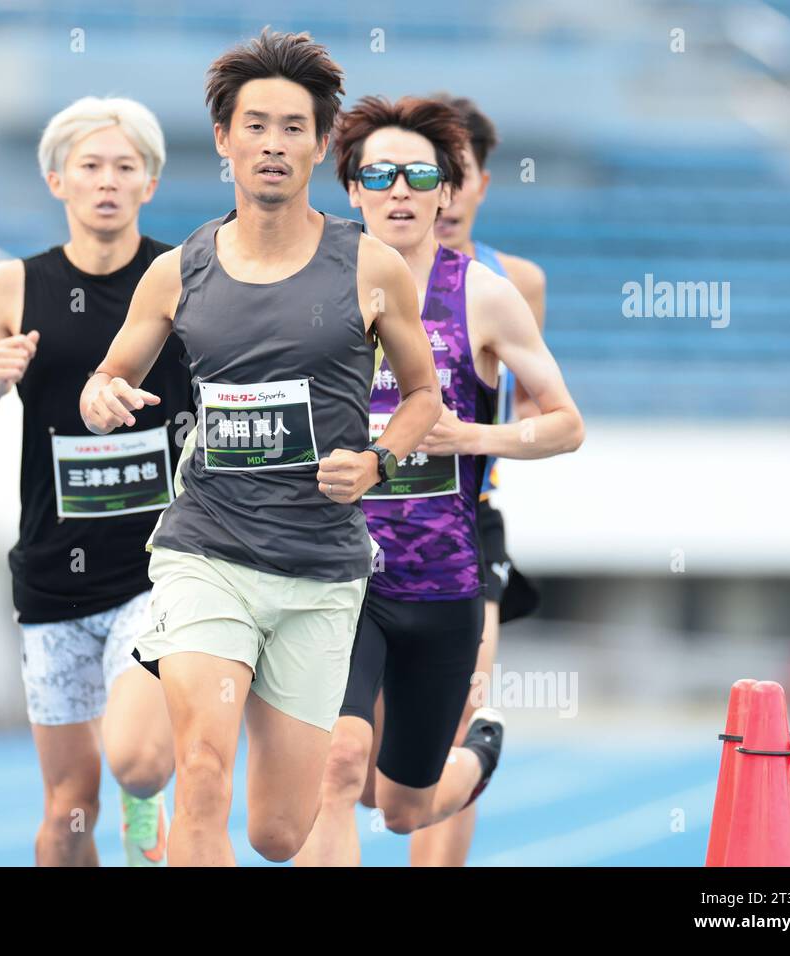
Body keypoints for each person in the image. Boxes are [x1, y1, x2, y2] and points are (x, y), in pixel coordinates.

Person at [79, 29, 441, 866]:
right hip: (207, 549)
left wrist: (378, 461)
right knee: (200, 770)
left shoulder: (373, 267)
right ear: (224, 140)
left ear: (320, 143)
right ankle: (180, 663)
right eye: (255, 126)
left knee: (279, 834)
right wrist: (104, 398)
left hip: (319, 569)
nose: (272, 144)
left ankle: (177, 670)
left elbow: (425, 396)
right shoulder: (178, 271)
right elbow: (110, 376)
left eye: (291, 128)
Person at [294, 95, 583, 865]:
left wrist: (471, 435)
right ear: (352, 186)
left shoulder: (485, 293)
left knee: (399, 809)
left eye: (418, 173)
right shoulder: (318, 287)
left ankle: (479, 752)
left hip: (444, 575)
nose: (399, 189)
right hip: (342, 575)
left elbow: (565, 423)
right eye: (378, 173)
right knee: (337, 765)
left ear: (446, 190)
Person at [0, 96, 191, 867]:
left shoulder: (181, 278)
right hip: (53, 577)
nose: (107, 182)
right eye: (91, 166)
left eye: (126, 167)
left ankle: (145, 803)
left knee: (140, 763)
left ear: (150, 183)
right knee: (67, 813)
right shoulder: (11, 287)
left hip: (158, 571)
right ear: (58, 180)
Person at [413, 92, 551, 866]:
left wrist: (479, 433)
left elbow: (543, 419)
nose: (448, 191)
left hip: (469, 519)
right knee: (357, 745)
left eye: (460, 173)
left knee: (459, 707)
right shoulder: (370, 269)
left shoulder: (515, 282)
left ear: (481, 183)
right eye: (433, 172)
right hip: (366, 524)